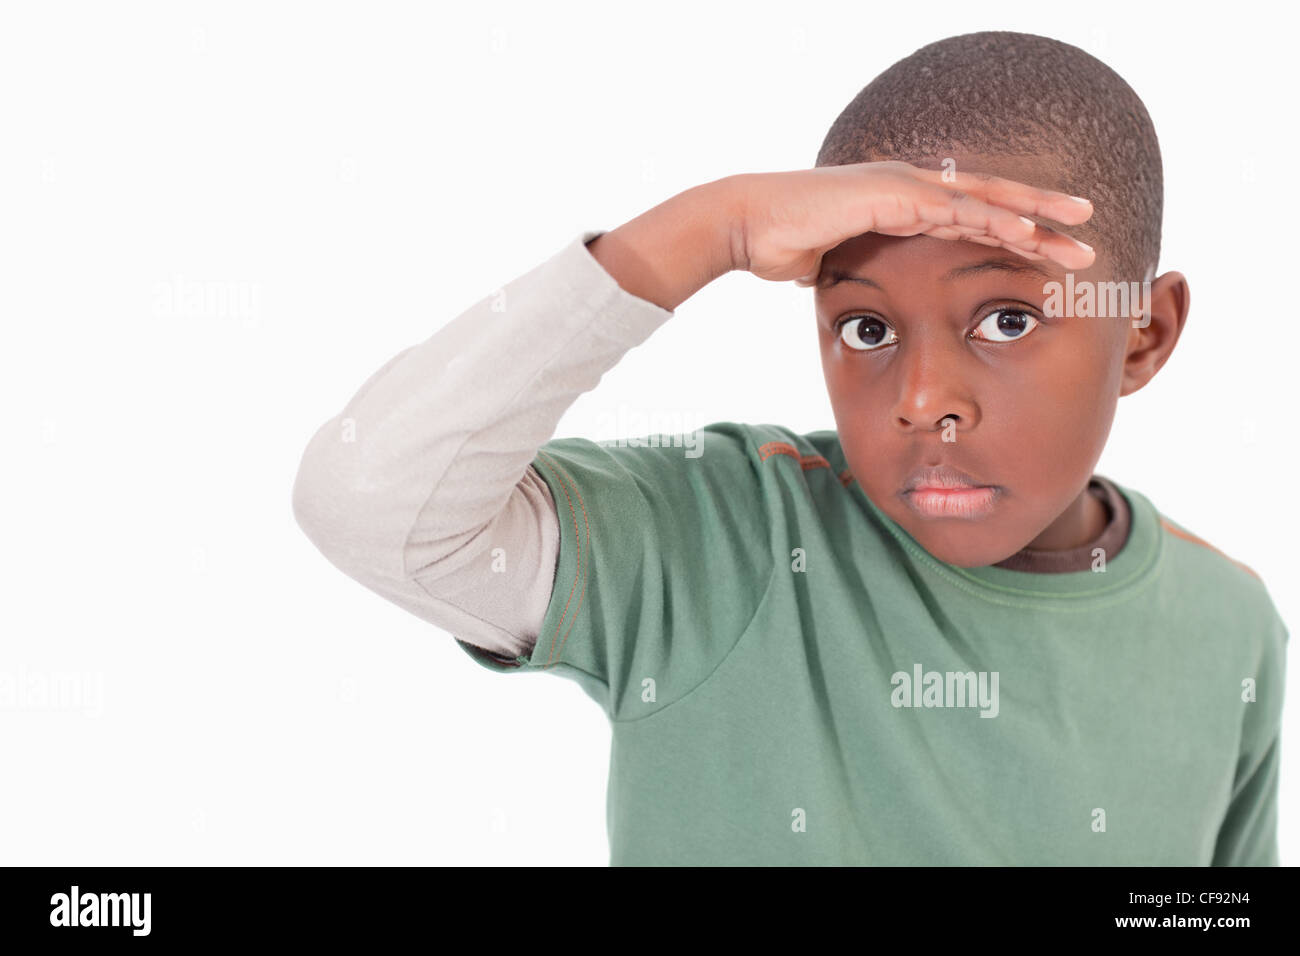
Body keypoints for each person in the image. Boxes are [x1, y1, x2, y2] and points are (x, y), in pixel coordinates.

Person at [291, 31, 1287, 865]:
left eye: (1008, 320)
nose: (923, 400)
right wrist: (706, 230)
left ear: (1144, 335)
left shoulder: (1230, 622)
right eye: (865, 328)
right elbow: (372, 500)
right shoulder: (720, 539)